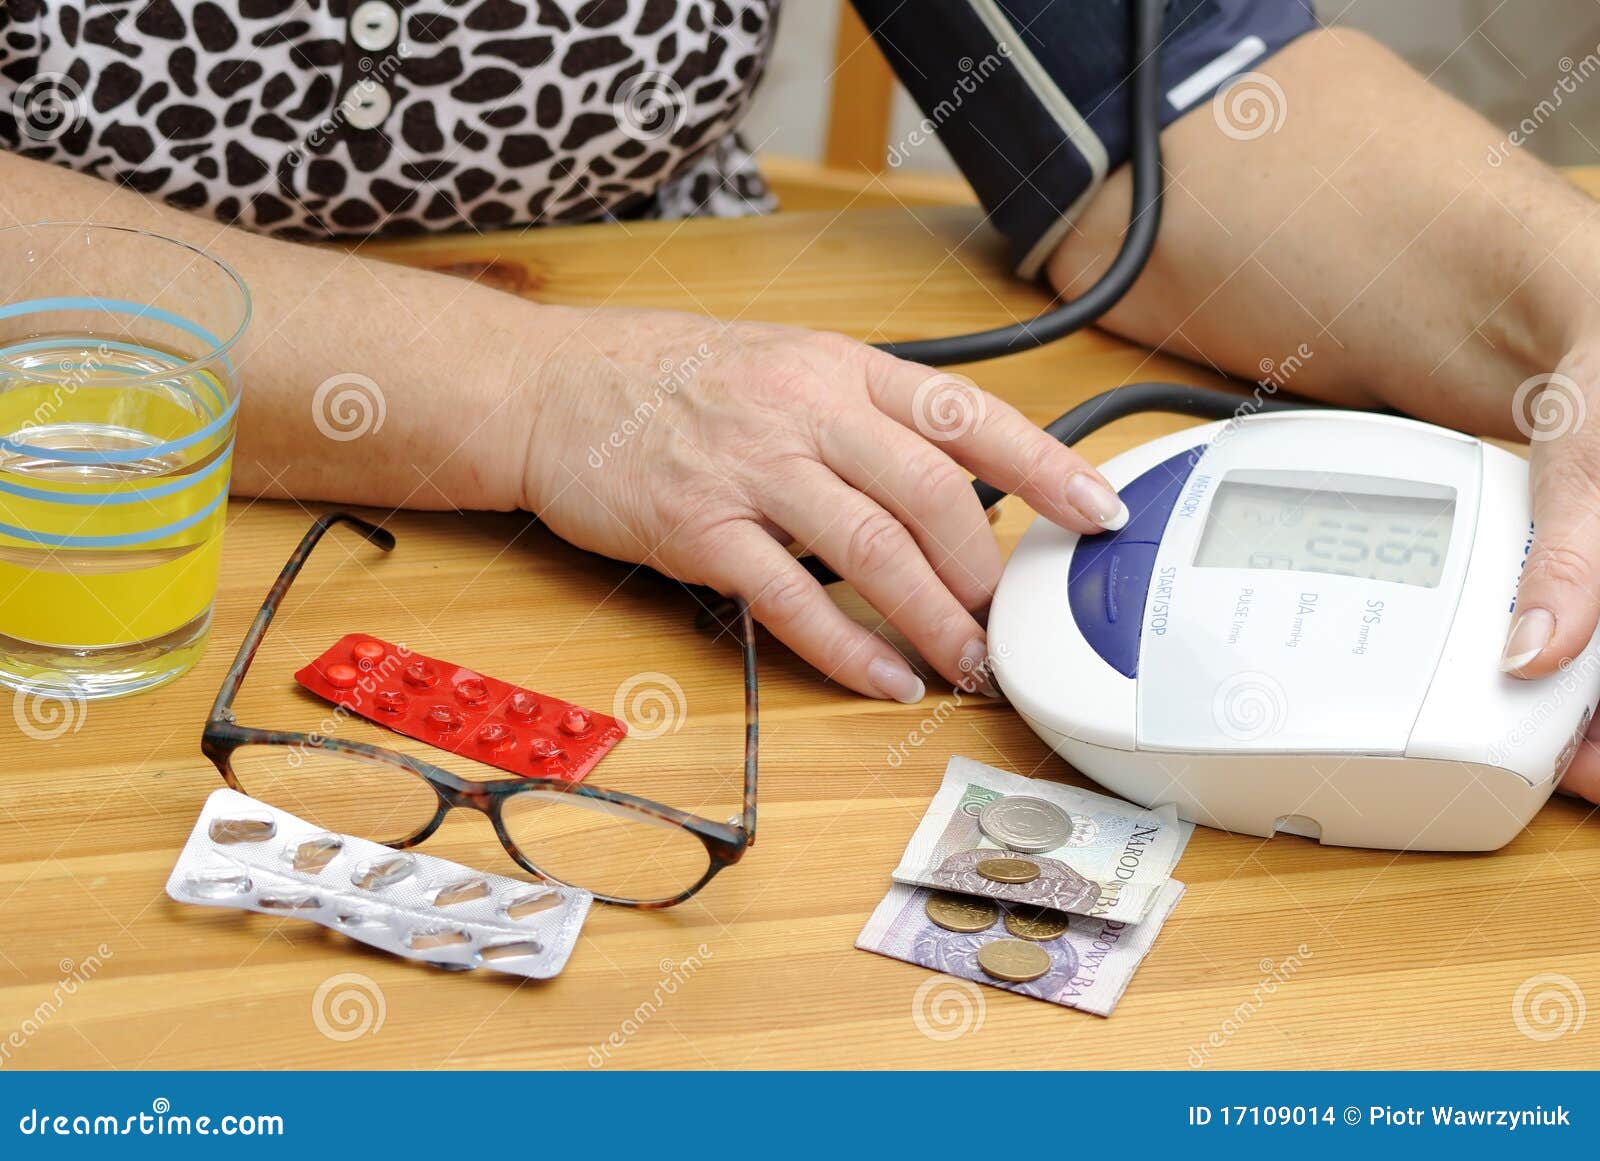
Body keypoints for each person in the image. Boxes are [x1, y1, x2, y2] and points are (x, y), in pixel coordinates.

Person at [4, 2, 1600, 803]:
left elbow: (1173, 103)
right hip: (85, 541)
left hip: (709, 407)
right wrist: (538, 391)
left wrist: (1573, 309)